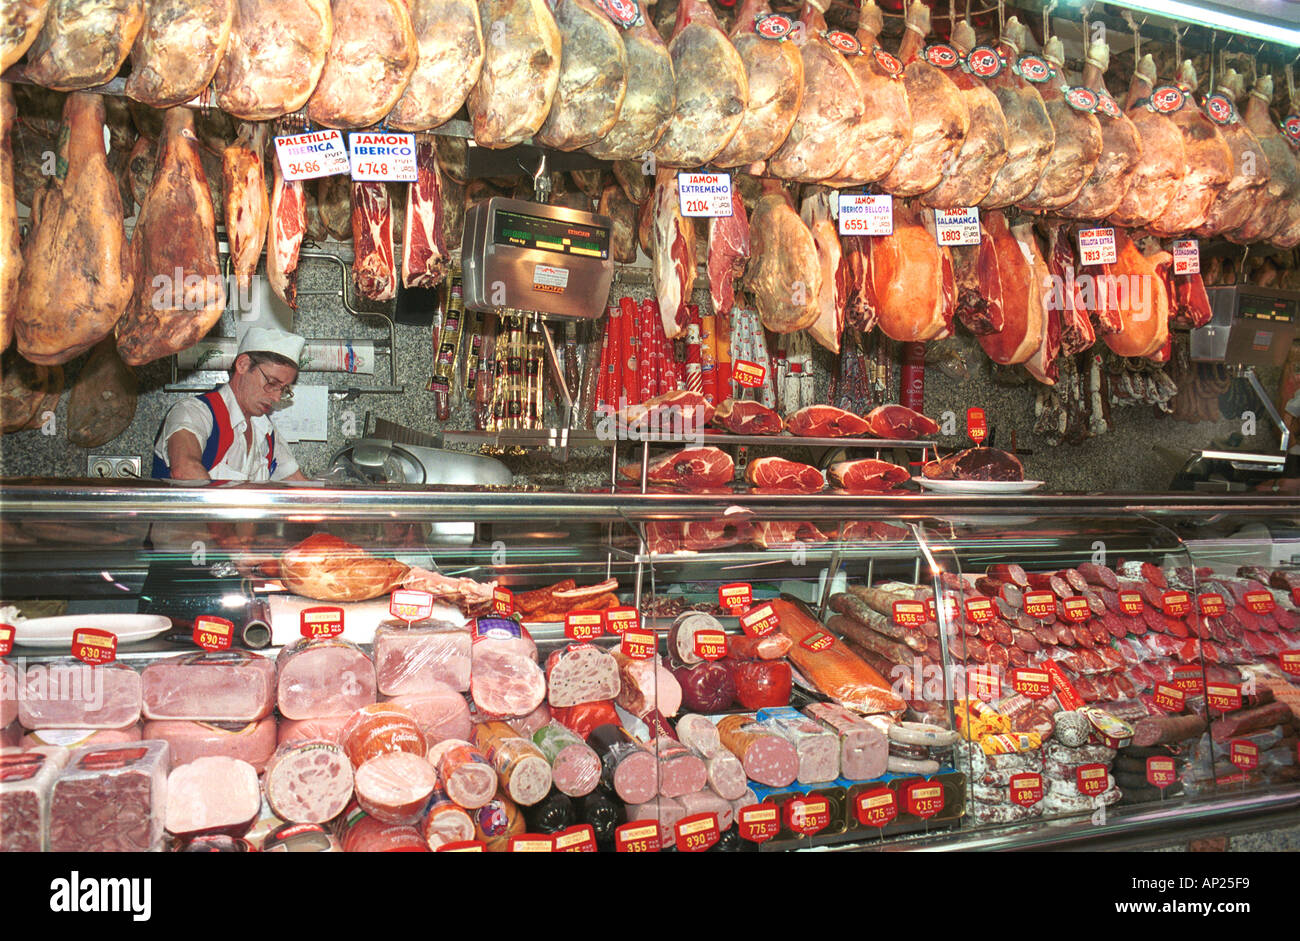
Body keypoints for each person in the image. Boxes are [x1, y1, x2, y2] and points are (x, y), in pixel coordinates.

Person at [152, 327, 309, 482]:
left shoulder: (265, 430)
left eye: (283, 390)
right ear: (243, 365)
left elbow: (298, 483)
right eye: (272, 383)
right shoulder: (193, 413)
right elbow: (185, 470)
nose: (276, 397)